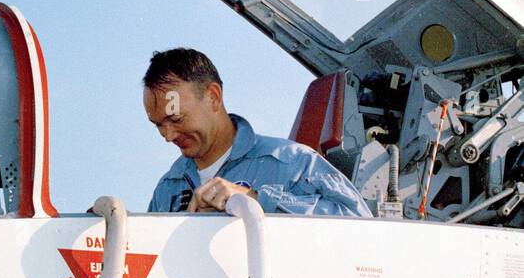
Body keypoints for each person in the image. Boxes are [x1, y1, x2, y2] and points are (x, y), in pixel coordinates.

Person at [142, 48, 371, 217]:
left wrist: (255, 199)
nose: (168, 136)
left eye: (176, 119)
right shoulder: (167, 188)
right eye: (158, 124)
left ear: (213, 96)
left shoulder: (293, 163)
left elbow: (361, 223)